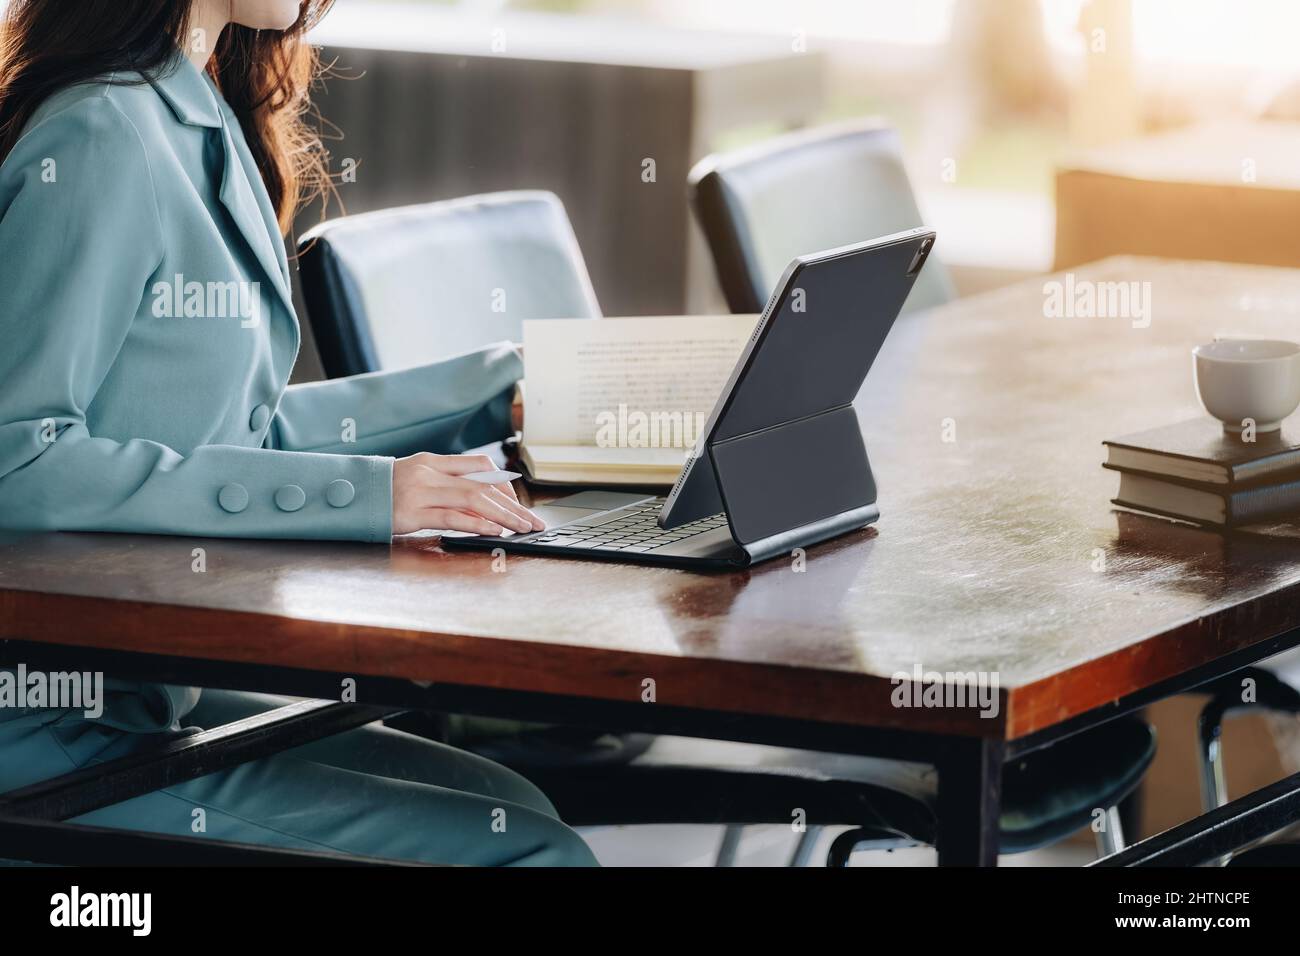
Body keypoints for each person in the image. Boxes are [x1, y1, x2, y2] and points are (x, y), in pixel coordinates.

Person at [0, 0, 595, 866]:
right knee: (533, 854)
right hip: (51, 726)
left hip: (143, 696)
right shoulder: (102, 135)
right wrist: (362, 496)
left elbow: (238, 429)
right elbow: (18, 458)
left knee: (510, 804)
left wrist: (490, 398)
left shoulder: (192, 105)